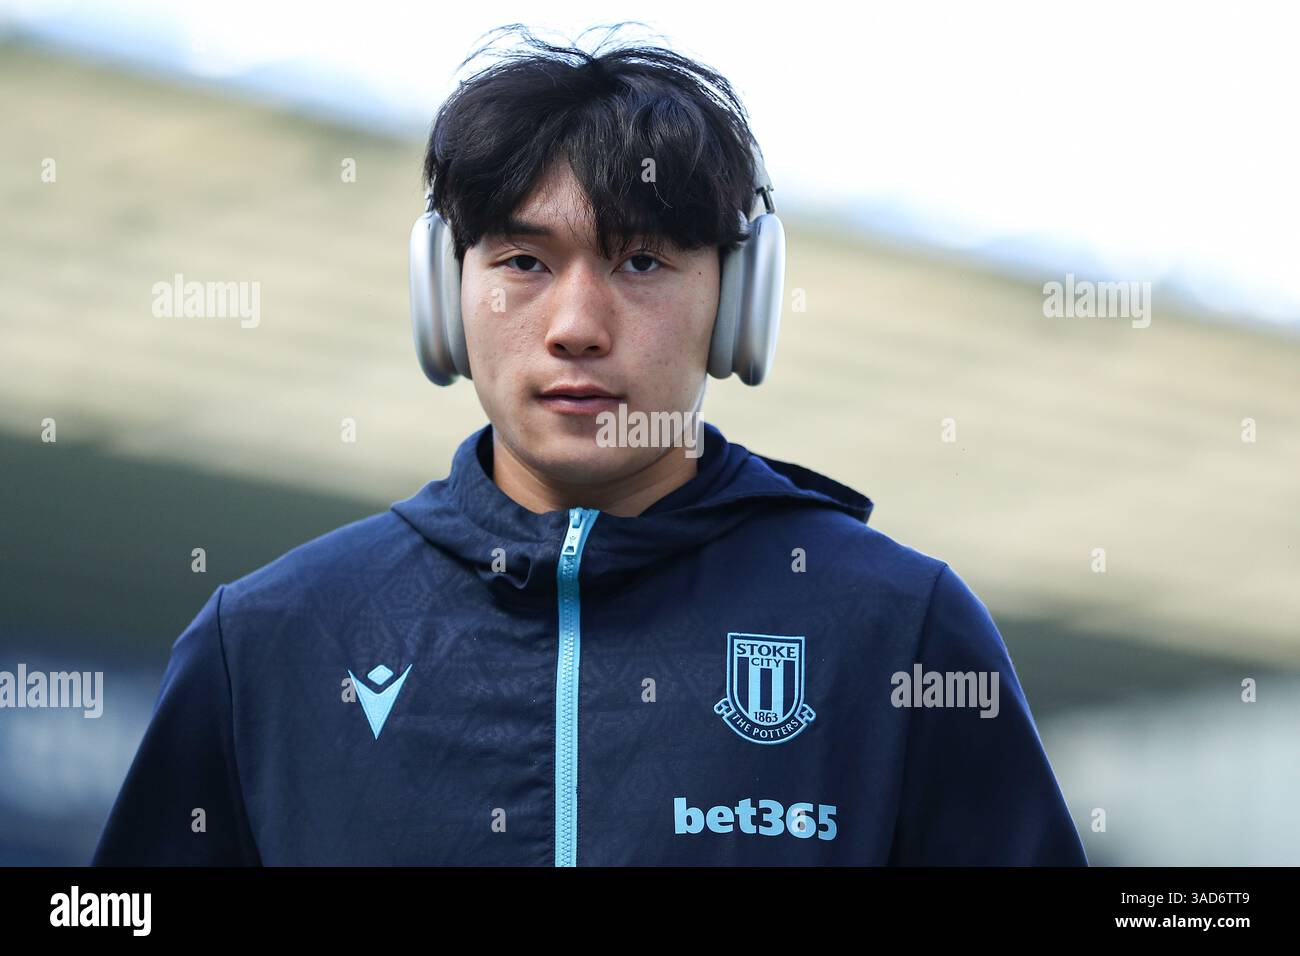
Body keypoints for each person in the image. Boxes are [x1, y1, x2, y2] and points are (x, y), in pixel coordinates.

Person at [92, 24, 1087, 866]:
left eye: (642, 259)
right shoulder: (269, 639)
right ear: (444, 294)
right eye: (523, 260)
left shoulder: (895, 629)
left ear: (740, 302)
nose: (576, 323)